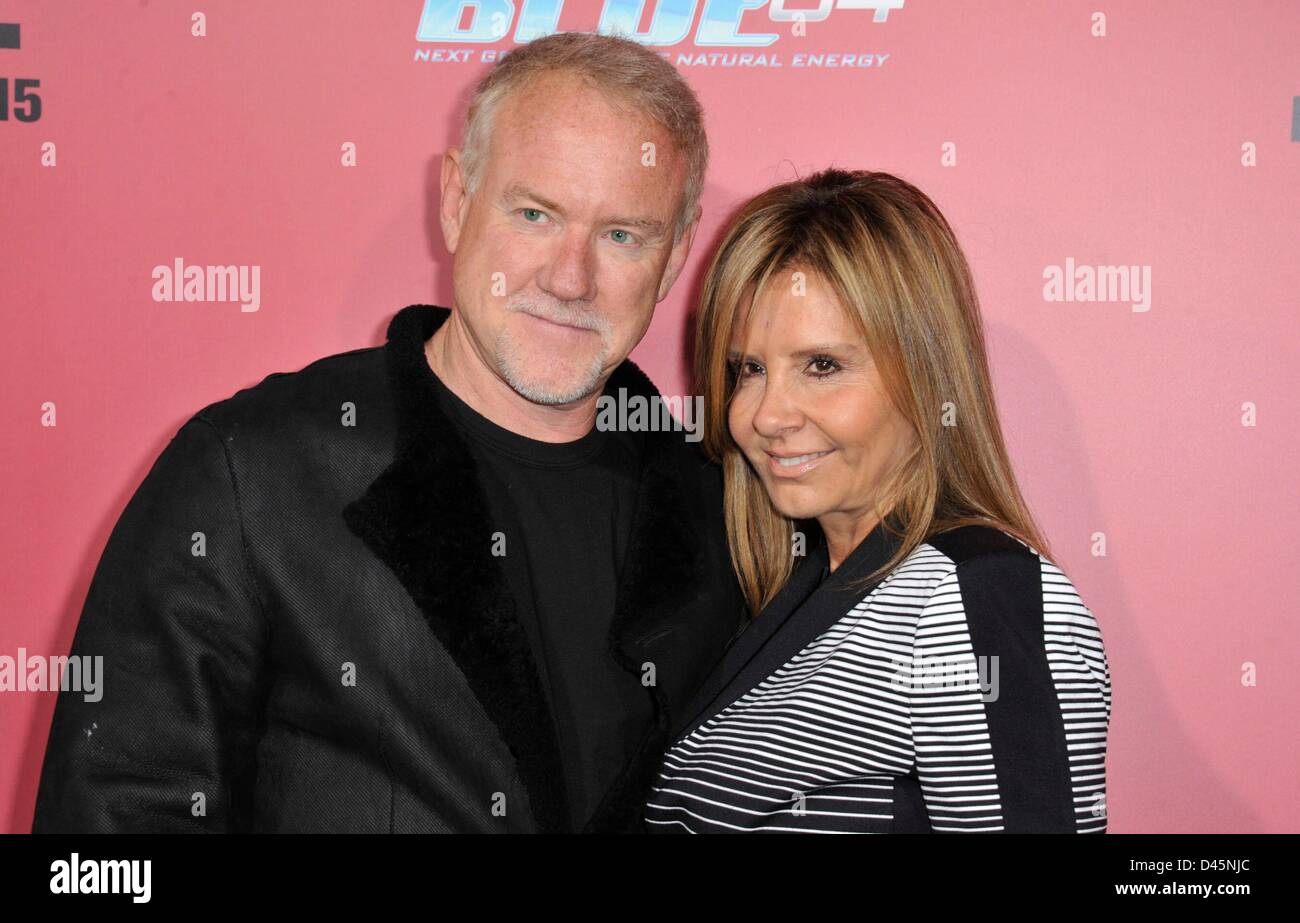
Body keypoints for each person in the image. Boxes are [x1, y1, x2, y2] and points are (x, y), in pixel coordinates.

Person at [32, 31, 746, 834]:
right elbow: (107, 841)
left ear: (675, 254)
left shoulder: (726, 516)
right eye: (535, 213)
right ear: (454, 200)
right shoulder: (252, 473)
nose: (570, 276)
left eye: (622, 235)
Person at [645, 168, 1112, 833]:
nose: (765, 413)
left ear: (924, 375)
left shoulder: (973, 598)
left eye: (822, 365)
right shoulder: (814, 584)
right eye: (748, 368)